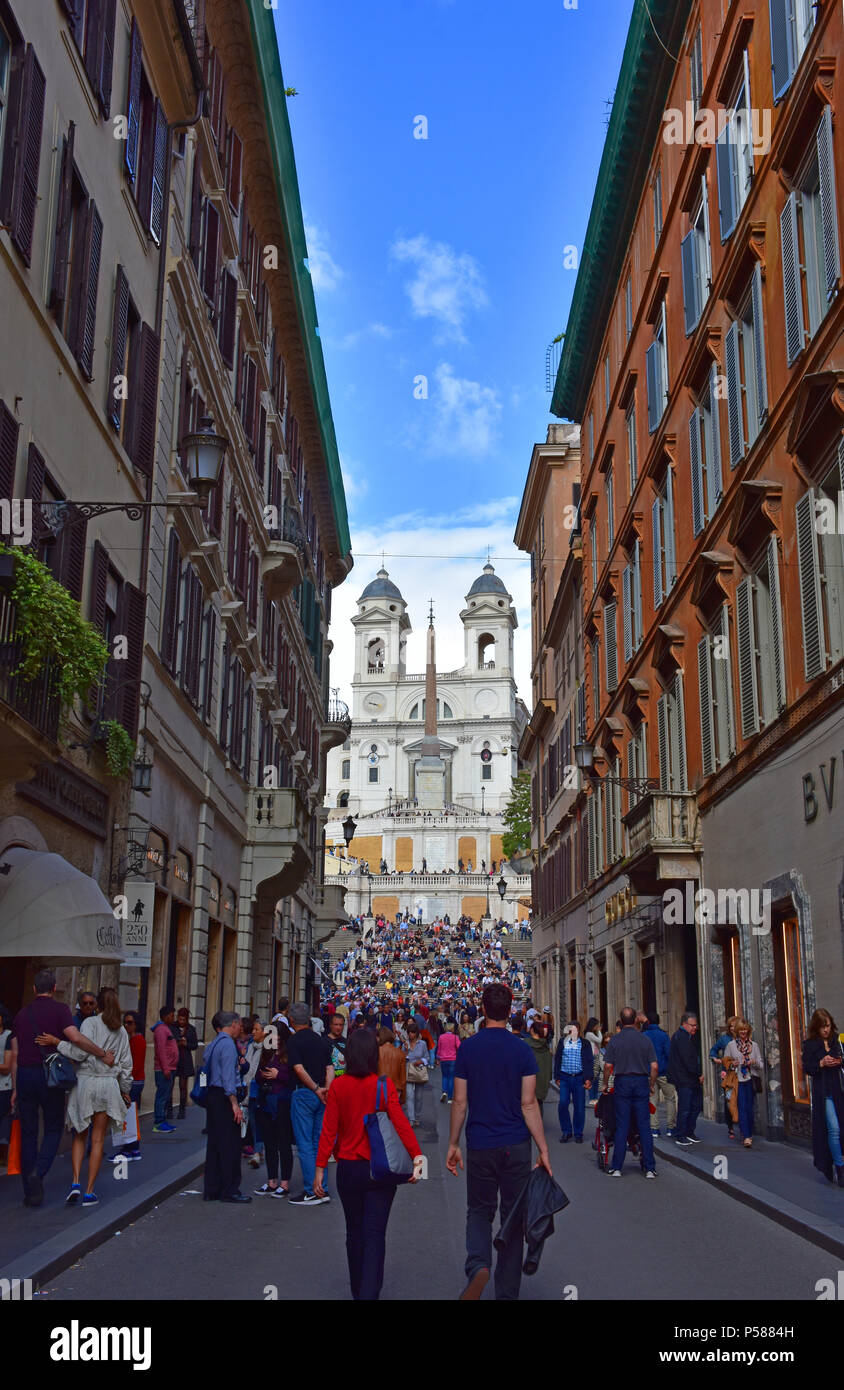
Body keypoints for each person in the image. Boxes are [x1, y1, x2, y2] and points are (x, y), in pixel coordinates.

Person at [447, 982, 553, 1301]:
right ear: (510, 1011)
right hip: (517, 1144)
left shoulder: (469, 1048)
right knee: (512, 1219)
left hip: (480, 1142)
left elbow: (460, 1102)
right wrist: (543, 1149)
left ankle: (479, 1264)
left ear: (482, 1009)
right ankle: (506, 1293)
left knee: (479, 1211)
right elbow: (529, 1102)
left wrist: (453, 1144)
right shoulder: (521, 1049)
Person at [314, 1028, 424, 1300]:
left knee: (354, 1231)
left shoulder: (339, 1086)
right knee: (375, 1234)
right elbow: (400, 1124)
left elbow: (329, 1129)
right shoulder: (383, 1086)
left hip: (349, 1168)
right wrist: (417, 1157)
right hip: (379, 1168)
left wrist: (319, 1168)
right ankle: (369, 1293)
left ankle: (357, 1288)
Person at [10, 968, 117, 1207]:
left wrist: (16, 1087)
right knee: (52, 1128)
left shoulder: (21, 1014)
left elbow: (16, 1053)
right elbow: (75, 1038)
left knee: (28, 1132)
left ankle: (31, 1191)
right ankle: (39, 1171)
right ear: (54, 988)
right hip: (50, 1076)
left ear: (35, 989)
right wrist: (101, 1053)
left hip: (25, 1075)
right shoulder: (60, 1010)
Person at [35, 988, 133, 1206]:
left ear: (97, 1005)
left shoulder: (89, 1024)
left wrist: (56, 1042)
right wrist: (125, 1089)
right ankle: (90, 1192)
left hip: (86, 1082)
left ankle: (76, 1182)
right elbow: (126, 1065)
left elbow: (79, 1052)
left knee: (80, 1134)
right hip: (107, 1084)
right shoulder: (121, 1031)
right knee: (98, 1139)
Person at [286, 1002, 335, 1206]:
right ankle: (320, 1187)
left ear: (291, 1021)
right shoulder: (321, 1040)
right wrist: (326, 1089)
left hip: (305, 1093)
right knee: (317, 1142)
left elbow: (298, 1069)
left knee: (305, 1143)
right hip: (322, 1095)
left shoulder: (294, 1041)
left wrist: (315, 1088)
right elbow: (330, 1067)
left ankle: (311, 1190)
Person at [602, 1005, 658, 1177]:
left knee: (622, 1125)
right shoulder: (644, 1039)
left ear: (620, 1020)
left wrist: (605, 1084)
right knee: (643, 1126)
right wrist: (651, 1084)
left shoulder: (615, 1041)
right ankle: (649, 1168)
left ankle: (617, 1167)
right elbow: (654, 1066)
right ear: (635, 1020)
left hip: (622, 1081)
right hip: (641, 1080)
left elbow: (608, 1066)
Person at [203, 1012, 250, 1202]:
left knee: (214, 1144)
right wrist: (234, 1104)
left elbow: (205, 1069)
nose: (241, 1028)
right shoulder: (228, 1045)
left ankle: (212, 1188)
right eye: (239, 1024)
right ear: (233, 1024)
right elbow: (228, 1078)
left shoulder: (213, 1044)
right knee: (230, 1145)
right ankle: (230, 1189)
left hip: (213, 1096)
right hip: (225, 1097)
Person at [801, 1008, 844, 1186]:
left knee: (841, 1128)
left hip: (839, 1090)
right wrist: (821, 1062)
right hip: (823, 1092)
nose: (826, 1030)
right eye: (822, 1027)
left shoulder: (838, 1041)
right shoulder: (810, 1044)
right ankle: (840, 1168)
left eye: (827, 1026)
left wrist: (839, 1061)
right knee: (833, 1129)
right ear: (816, 1028)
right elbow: (807, 1068)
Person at [253, 1027, 294, 1198]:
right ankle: (271, 1181)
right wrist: (263, 1075)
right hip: (266, 1103)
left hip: (283, 1103)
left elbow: (294, 1080)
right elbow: (257, 1076)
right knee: (269, 1143)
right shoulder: (266, 1053)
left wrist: (278, 1075)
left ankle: (285, 1183)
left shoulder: (289, 1054)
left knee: (283, 1143)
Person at [109, 1011, 145, 1163]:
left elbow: (134, 1066)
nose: (126, 1025)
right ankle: (129, 1147)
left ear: (136, 1024)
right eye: (125, 1022)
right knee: (128, 1115)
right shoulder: (132, 1040)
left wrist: (125, 1085)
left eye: (129, 1023)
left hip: (133, 1081)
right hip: (133, 1080)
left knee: (128, 1115)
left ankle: (131, 1148)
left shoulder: (137, 1040)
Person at [723, 1019, 763, 1147]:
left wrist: (754, 1062)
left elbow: (761, 1065)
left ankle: (749, 1133)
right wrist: (732, 1064)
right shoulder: (731, 1045)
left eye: (745, 1029)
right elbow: (726, 1062)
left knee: (750, 1108)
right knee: (741, 1107)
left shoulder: (754, 1046)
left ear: (748, 1031)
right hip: (737, 1080)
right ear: (737, 1031)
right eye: (741, 1030)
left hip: (750, 1079)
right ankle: (746, 1136)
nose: (743, 1032)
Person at [668, 1012, 704, 1147]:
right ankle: (681, 1134)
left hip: (689, 1079)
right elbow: (687, 1060)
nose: (695, 1028)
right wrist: (698, 1074)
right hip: (685, 1079)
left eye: (696, 1025)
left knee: (695, 1105)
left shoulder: (686, 1037)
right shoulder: (681, 1037)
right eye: (692, 1025)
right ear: (684, 1024)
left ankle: (689, 1131)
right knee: (685, 1107)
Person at [553, 1021, 592, 1143]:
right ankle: (566, 1131)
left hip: (579, 1078)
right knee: (563, 1103)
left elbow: (589, 1061)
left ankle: (578, 1133)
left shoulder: (585, 1044)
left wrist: (588, 1078)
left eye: (575, 1030)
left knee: (579, 1106)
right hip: (565, 1077)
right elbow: (558, 1058)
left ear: (579, 1031)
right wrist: (557, 1077)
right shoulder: (562, 1042)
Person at [642, 1011, 676, 1137]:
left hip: (649, 1073)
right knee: (670, 1099)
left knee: (652, 1100)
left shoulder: (644, 1035)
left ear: (648, 1022)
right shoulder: (664, 1036)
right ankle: (670, 1127)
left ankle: (654, 1128)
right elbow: (669, 1053)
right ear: (659, 1022)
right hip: (664, 1072)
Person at [709, 1016, 739, 1139]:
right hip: (728, 1076)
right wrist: (717, 1059)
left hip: (741, 1075)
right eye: (731, 1026)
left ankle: (744, 1127)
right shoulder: (724, 1039)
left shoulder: (744, 1038)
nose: (733, 1028)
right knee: (729, 1100)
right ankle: (730, 1126)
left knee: (741, 1100)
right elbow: (713, 1051)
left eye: (735, 1026)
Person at [151, 1005, 179, 1133]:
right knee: (162, 1095)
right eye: (172, 1015)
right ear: (165, 1016)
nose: (174, 1018)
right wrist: (166, 1068)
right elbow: (161, 1049)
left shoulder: (166, 1028)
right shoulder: (161, 1030)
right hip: (164, 1069)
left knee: (165, 1094)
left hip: (169, 1067)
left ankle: (162, 1120)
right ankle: (159, 1122)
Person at [173, 1008, 198, 1119]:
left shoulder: (191, 1029)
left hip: (185, 1060)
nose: (181, 1021)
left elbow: (195, 1045)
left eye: (183, 1019)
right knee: (170, 1085)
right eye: (180, 1019)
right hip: (173, 1059)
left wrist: (186, 1043)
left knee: (183, 1086)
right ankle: (168, 1109)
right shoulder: (172, 1027)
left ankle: (182, 1109)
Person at [525, 1018, 552, 1114]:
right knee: (539, 1106)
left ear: (532, 1030)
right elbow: (548, 1064)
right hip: (542, 1082)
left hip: (527, 1081)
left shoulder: (525, 1044)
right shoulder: (546, 1046)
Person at [403, 1022, 428, 1125]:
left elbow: (427, 1057)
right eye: (409, 1033)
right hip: (408, 1071)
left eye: (413, 1033)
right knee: (409, 1096)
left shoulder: (422, 1044)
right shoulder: (405, 1044)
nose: (411, 1035)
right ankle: (411, 1119)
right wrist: (406, 1051)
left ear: (416, 1033)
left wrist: (421, 1061)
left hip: (418, 1071)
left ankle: (417, 1116)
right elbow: (402, 1059)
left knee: (418, 1097)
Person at [377, 1027, 407, 1105]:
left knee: (380, 1115)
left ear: (379, 1037)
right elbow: (403, 1079)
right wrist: (403, 1097)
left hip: (379, 1089)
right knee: (392, 1115)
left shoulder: (375, 1051)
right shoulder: (400, 1054)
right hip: (395, 1090)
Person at [436, 1015, 460, 1103]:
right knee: (451, 1078)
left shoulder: (441, 1037)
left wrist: (437, 1058)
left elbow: (439, 1048)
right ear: (452, 1029)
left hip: (443, 1059)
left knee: (444, 1076)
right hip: (453, 1059)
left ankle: (444, 1092)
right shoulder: (455, 1037)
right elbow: (459, 1047)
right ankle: (450, 1098)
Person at [584, 1017, 603, 1105]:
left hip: (595, 1057)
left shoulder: (591, 1034)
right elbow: (599, 1040)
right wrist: (599, 1031)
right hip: (592, 1057)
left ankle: (595, 1097)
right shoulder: (589, 1034)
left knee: (596, 1077)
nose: (597, 1027)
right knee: (593, 1077)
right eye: (597, 1025)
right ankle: (592, 1098)